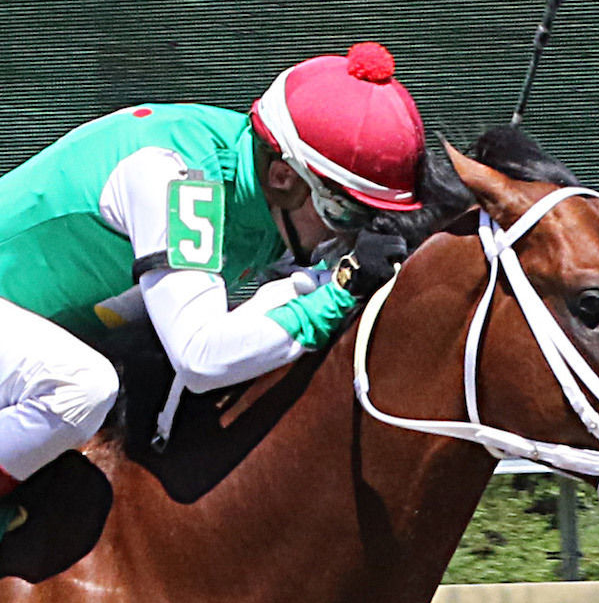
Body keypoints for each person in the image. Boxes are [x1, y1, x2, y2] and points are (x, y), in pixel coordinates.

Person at [0, 42, 424, 536]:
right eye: (342, 215)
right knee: (82, 385)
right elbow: (201, 359)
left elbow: (264, 313)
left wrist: (326, 283)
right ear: (284, 175)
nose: (345, 237)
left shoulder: (259, 192)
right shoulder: (183, 181)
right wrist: (340, 288)